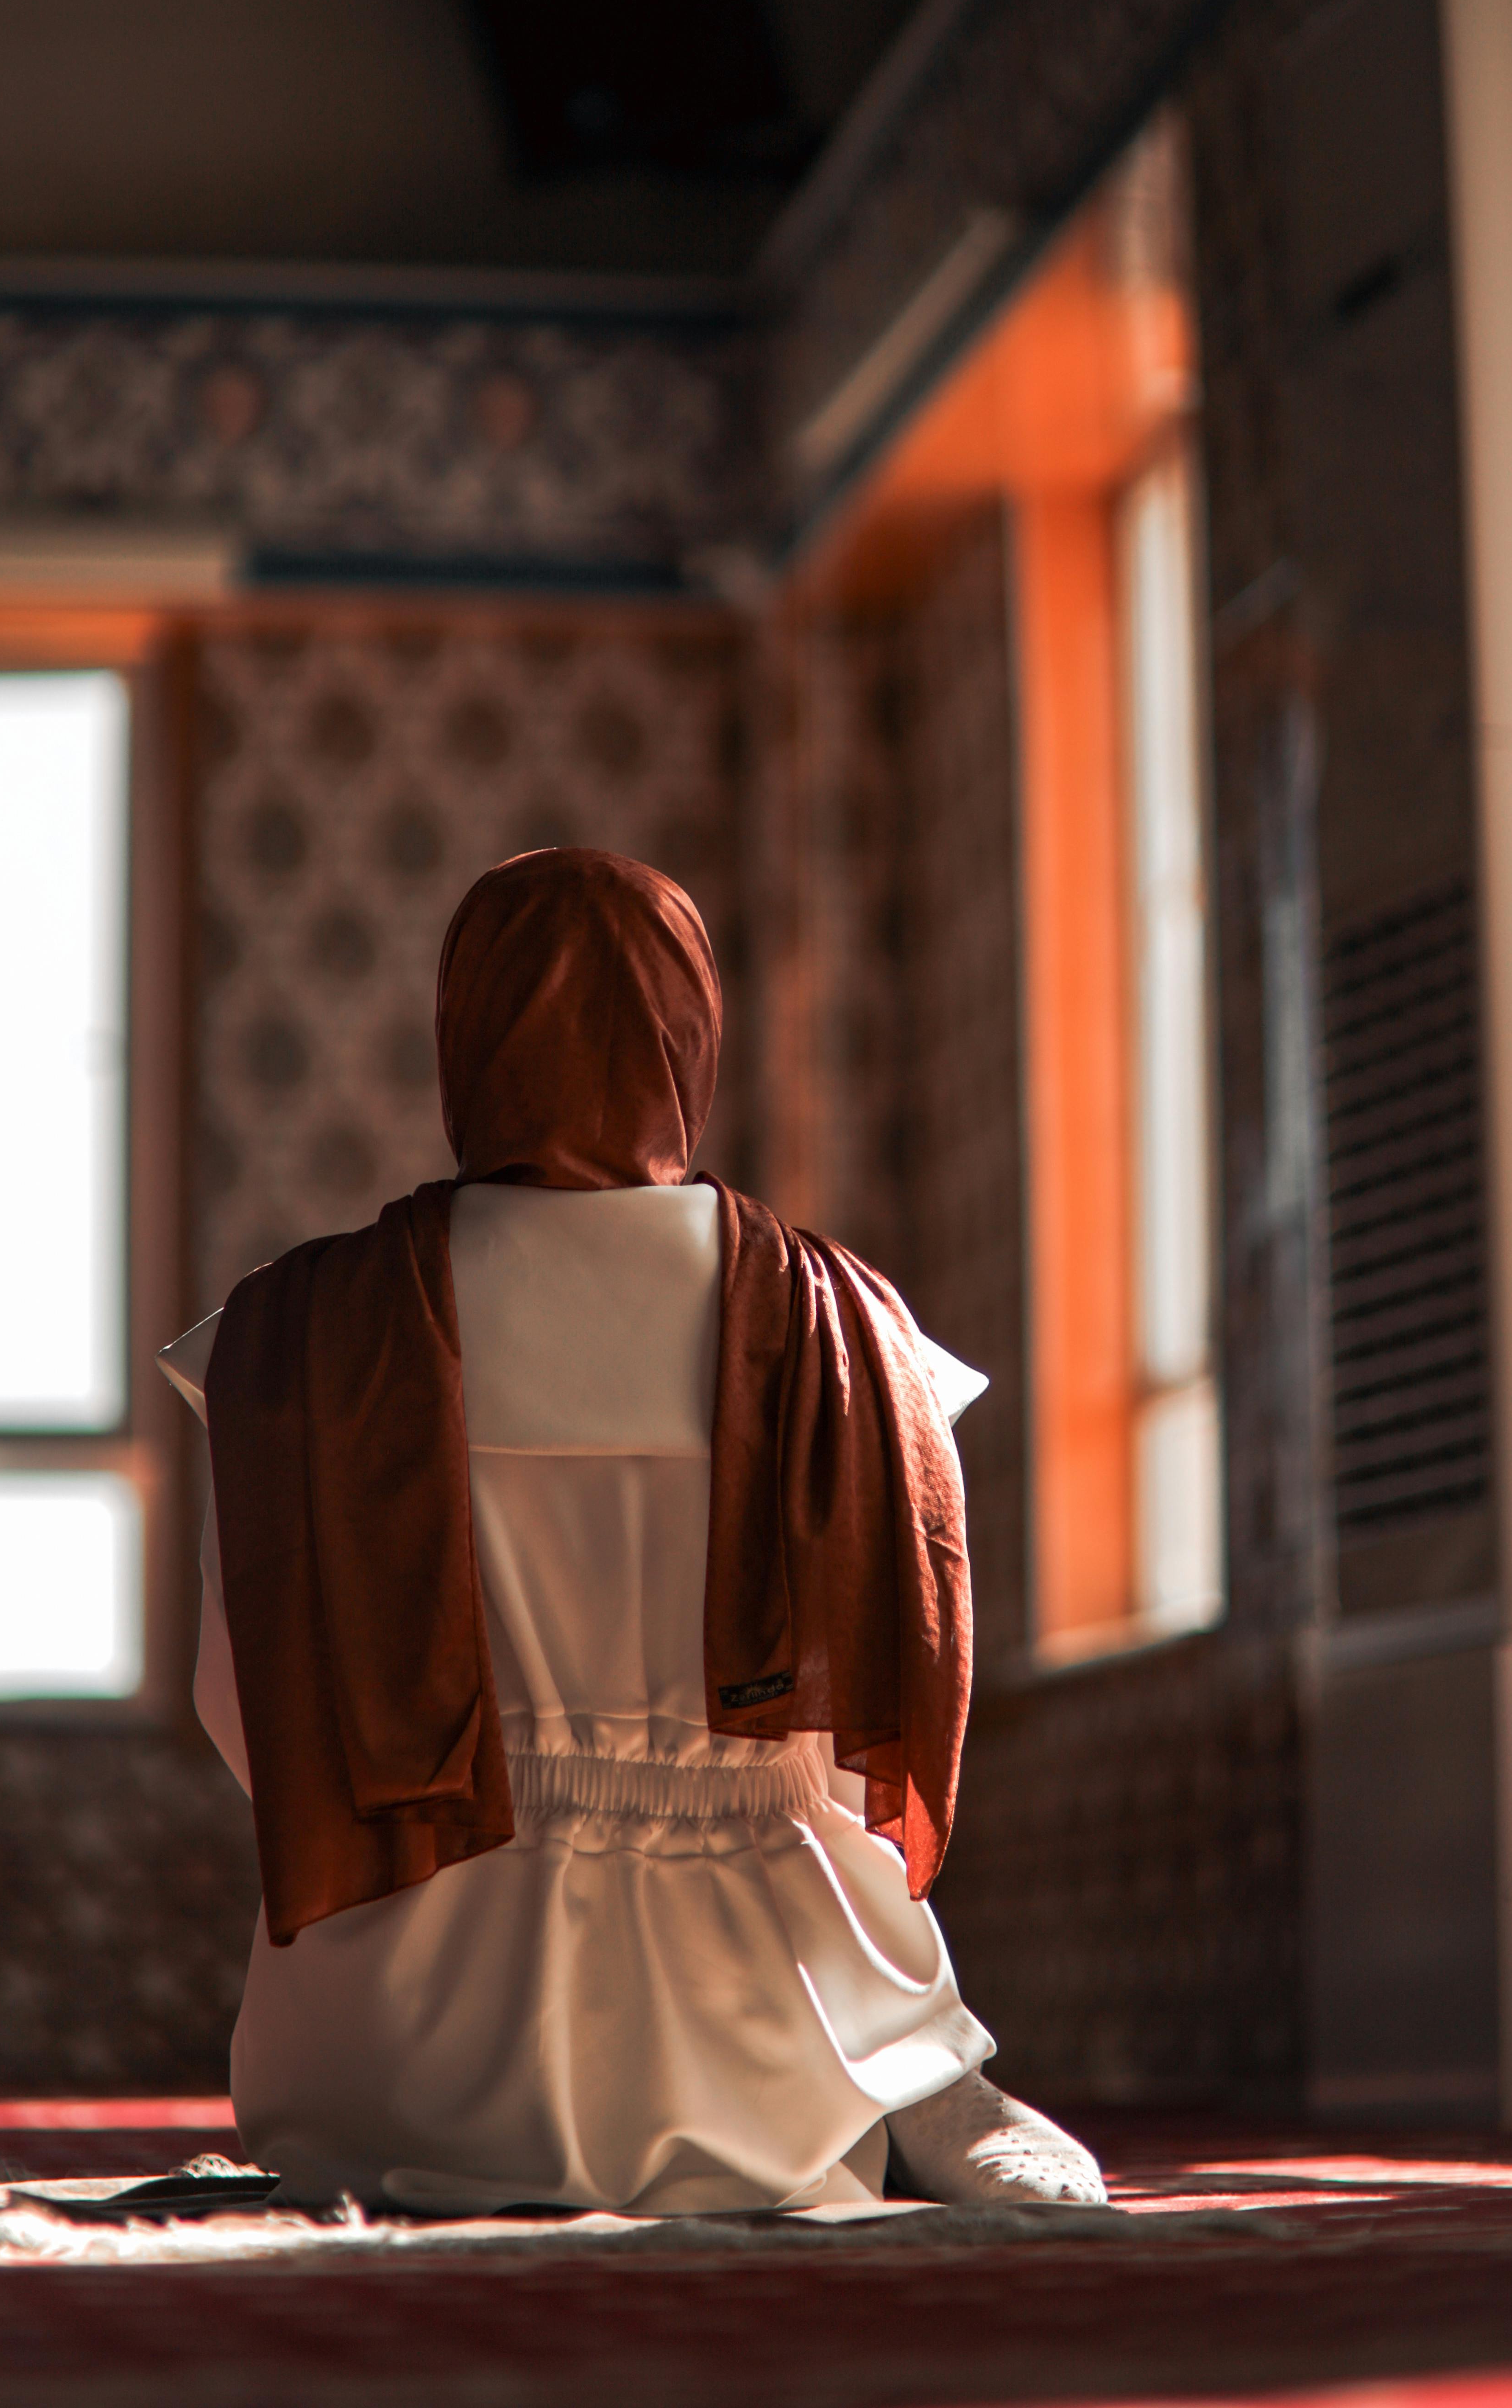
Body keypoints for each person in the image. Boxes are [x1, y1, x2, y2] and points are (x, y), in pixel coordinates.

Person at [163, 848, 1104, 2218]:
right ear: (690, 1031)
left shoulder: (298, 1335)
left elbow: (245, 1707)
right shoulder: (850, 1335)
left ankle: (911, 2090)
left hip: (397, 2033)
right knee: (862, 2023)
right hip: (776, 2028)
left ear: (462, 1036)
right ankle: (915, 2082)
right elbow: (879, 1725)